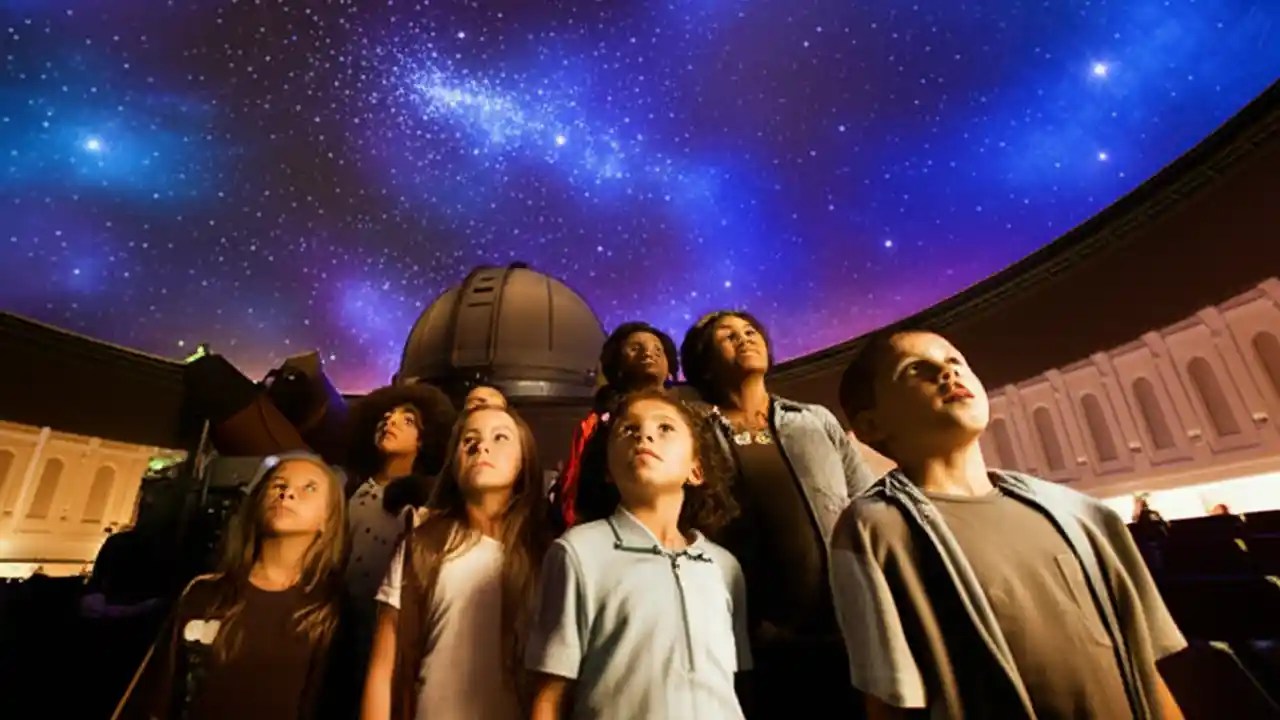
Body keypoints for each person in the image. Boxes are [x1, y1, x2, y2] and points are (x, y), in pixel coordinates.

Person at [831, 328, 1187, 719]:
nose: (947, 373)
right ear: (871, 425)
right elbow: (889, 701)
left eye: (954, 361)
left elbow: (1147, 668)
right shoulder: (874, 529)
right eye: (915, 369)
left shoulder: (1082, 513)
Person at [679, 310, 876, 717]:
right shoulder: (692, 433)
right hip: (754, 639)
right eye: (728, 335)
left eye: (750, 331)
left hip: (846, 626)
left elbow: (867, 504)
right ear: (704, 363)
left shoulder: (815, 420)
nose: (745, 338)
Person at [528, 388, 750, 719]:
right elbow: (549, 697)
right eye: (629, 429)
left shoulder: (724, 567)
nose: (644, 436)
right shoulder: (578, 553)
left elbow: (733, 686)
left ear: (696, 470)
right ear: (607, 468)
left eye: (665, 428)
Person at [114, 452, 351, 719]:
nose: (287, 494)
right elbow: (158, 692)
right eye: (279, 484)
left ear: (328, 518)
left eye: (309, 488)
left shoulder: (327, 609)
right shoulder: (204, 592)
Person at [361, 405, 552, 720]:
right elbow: (384, 667)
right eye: (469, 440)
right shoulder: (423, 546)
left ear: (524, 462)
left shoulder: (547, 556)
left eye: (500, 437)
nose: (482, 446)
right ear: (454, 464)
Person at [554, 321, 680, 530]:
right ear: (617, 365)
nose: (649, 353)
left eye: (658, 350)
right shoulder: (597, 424)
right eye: (635, 348)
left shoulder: (689, 419)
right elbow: (576, 489)